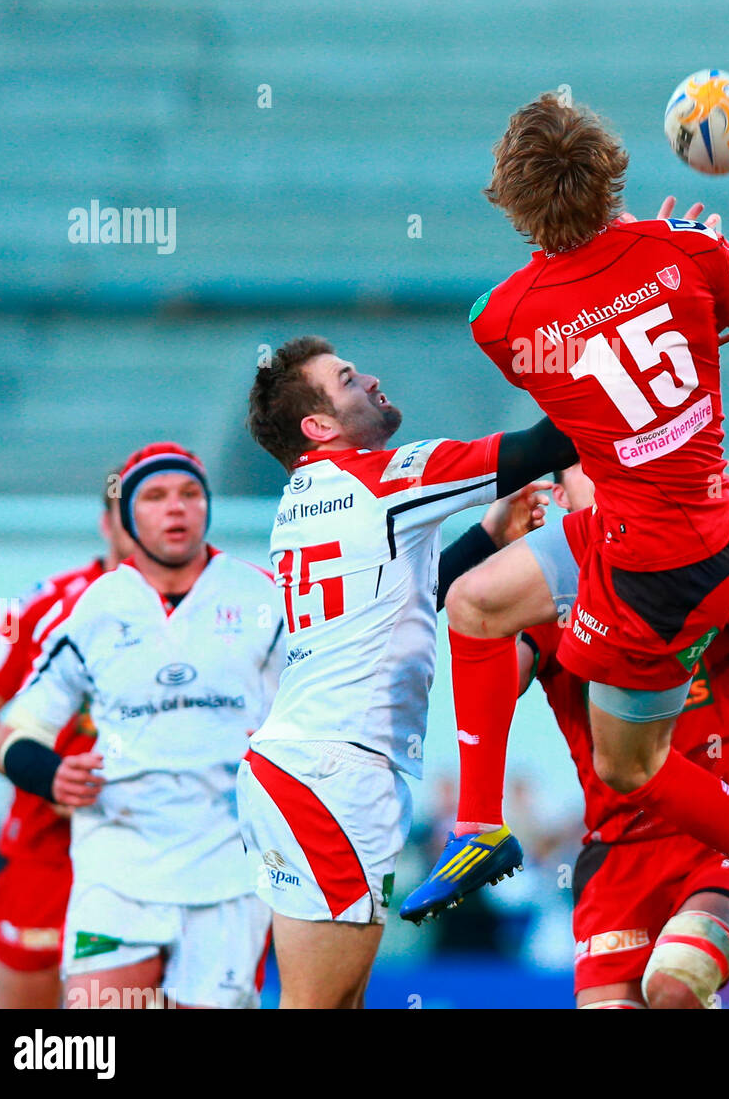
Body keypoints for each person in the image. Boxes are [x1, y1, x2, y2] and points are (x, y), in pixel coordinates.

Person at [404, 98, 729, 951]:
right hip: (647, 524)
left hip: (654, 562)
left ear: (509, 199)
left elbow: (595, 370)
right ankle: (476, 826)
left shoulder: (498, 319)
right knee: (472, 601)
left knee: (627, 767)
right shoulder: (687, 251)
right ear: (614, 171)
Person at [237, 336, 574, 1008]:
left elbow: (401, 603)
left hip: (314, 765)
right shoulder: (385, 476)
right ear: (319, 426)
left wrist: (484, 538)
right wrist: (652, 331)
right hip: (333, 775)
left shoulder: (306, 498)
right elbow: (546, 445)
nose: (371, 376)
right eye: (346, 378)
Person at [517, 456, 729, 1007]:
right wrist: (494, 562)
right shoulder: (544, 597)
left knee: (676, 980)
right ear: (559, 498)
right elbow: (493, 685)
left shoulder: (704, 561)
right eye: (593, 466)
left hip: (724, 837)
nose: (620, 477)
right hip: (614, 856)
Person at [0, 443, 284, 1009]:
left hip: (229, 869)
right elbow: (21, 726)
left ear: (207, 507)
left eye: (190, 494)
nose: (176, 508)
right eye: (155, 497)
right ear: (128, 517)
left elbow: (314, 702)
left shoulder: (261, 596)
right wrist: (51, 773)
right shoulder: (96, 608)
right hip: (118, 864)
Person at [0, 473, 135, 1008]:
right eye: (137, 510)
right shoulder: (50, 604)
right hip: (48, 855)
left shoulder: (216, 609)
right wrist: (50, 781)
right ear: (109, 526)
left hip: (155, 852)